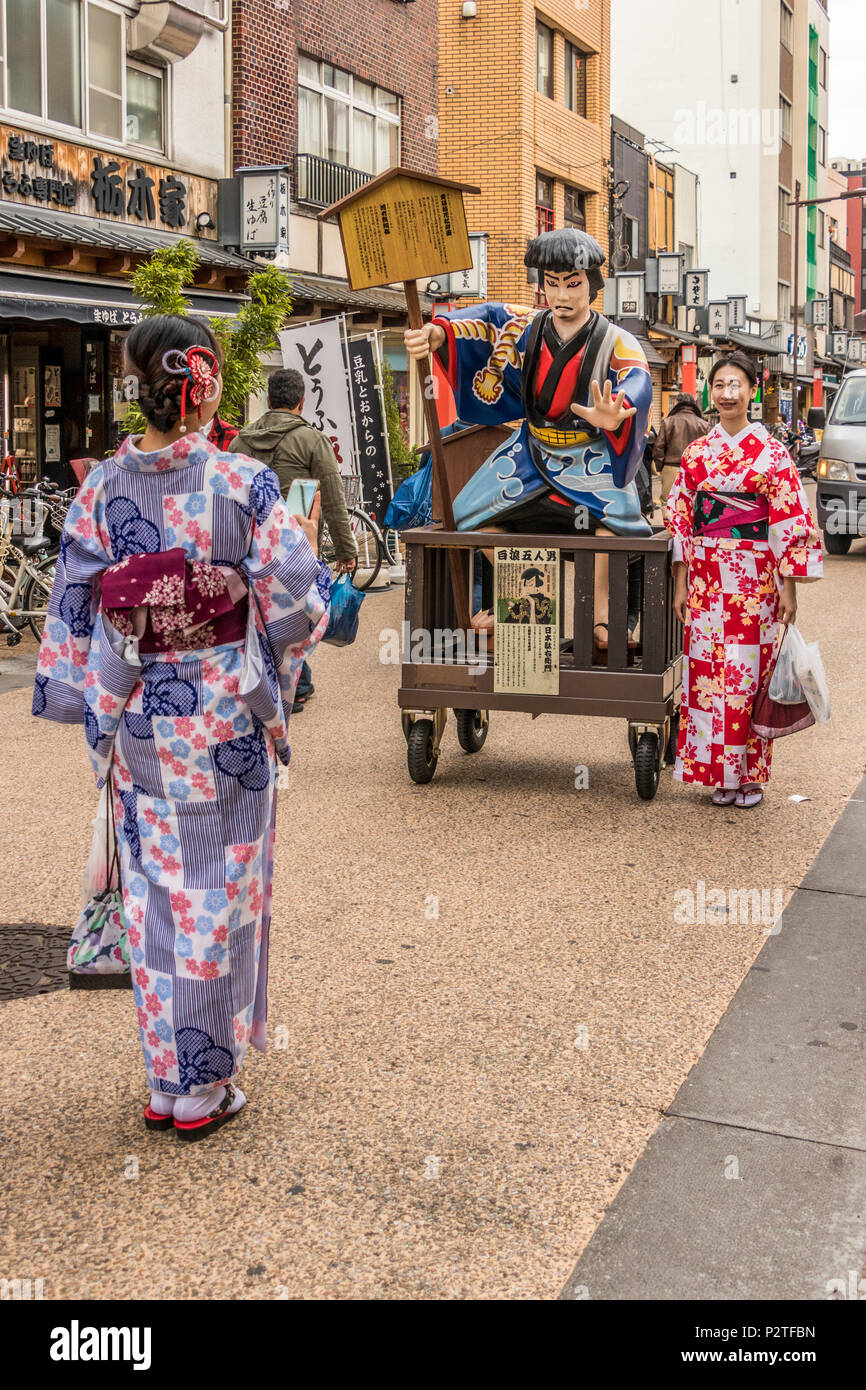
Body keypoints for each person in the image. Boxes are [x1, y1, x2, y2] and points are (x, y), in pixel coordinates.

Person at [32, 314, 331, 1140]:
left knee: (160, 897)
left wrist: (102, 699)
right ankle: (203, 1086)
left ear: (141, 387)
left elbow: (73, 614)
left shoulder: (97, 491)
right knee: (218, 898)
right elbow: (302, 606)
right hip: (227, 723)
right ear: (203, 387)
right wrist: (266, 650)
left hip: (142, 727)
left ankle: (165, 1078)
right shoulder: (241, 484)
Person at [404, 227, 653, 652]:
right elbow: (486, 320)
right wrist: (439, 334)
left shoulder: (617, 341)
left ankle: (601, 617)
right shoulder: (526, 326)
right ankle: (528, 600)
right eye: (551, 283)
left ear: (592, 285)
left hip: (589, 454)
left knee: (620, 527)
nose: (562, 295)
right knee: (469, 518)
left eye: (573, 284)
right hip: (531, 449)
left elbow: (637, 379)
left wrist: (619, 410)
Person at [665, 350, 823, 809]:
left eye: (736, 385)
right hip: (708, 578)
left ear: (752, 391)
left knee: (749, 678)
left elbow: (789, 519)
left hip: (757, 581)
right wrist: (680, 583)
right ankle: (719, 774)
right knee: (710, 676)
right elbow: (682, 520)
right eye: (719, 385)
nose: (727, 394)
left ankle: (749, 776)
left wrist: (788, 585)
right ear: (709, 392)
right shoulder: (697, 454)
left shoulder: (773, 453)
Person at [236, 367, 356, 711]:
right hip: (296, 543)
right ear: (301, 402)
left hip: (248, 544)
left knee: (253, 612)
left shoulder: (240, 441)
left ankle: (263, 681)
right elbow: (332, 498)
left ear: (269, 400)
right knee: (296, 609)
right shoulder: (311, 440)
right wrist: (346, 551)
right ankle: (298, 683)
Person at [652, 393, 709, 510]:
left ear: (677, 403)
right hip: (695, 469)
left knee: (667, 503)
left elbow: (658, 448)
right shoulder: (704, 424)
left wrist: (660, 468)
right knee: (692, 503)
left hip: (670, 468)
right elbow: (708, 451)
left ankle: (670, 528)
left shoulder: (668, 422)